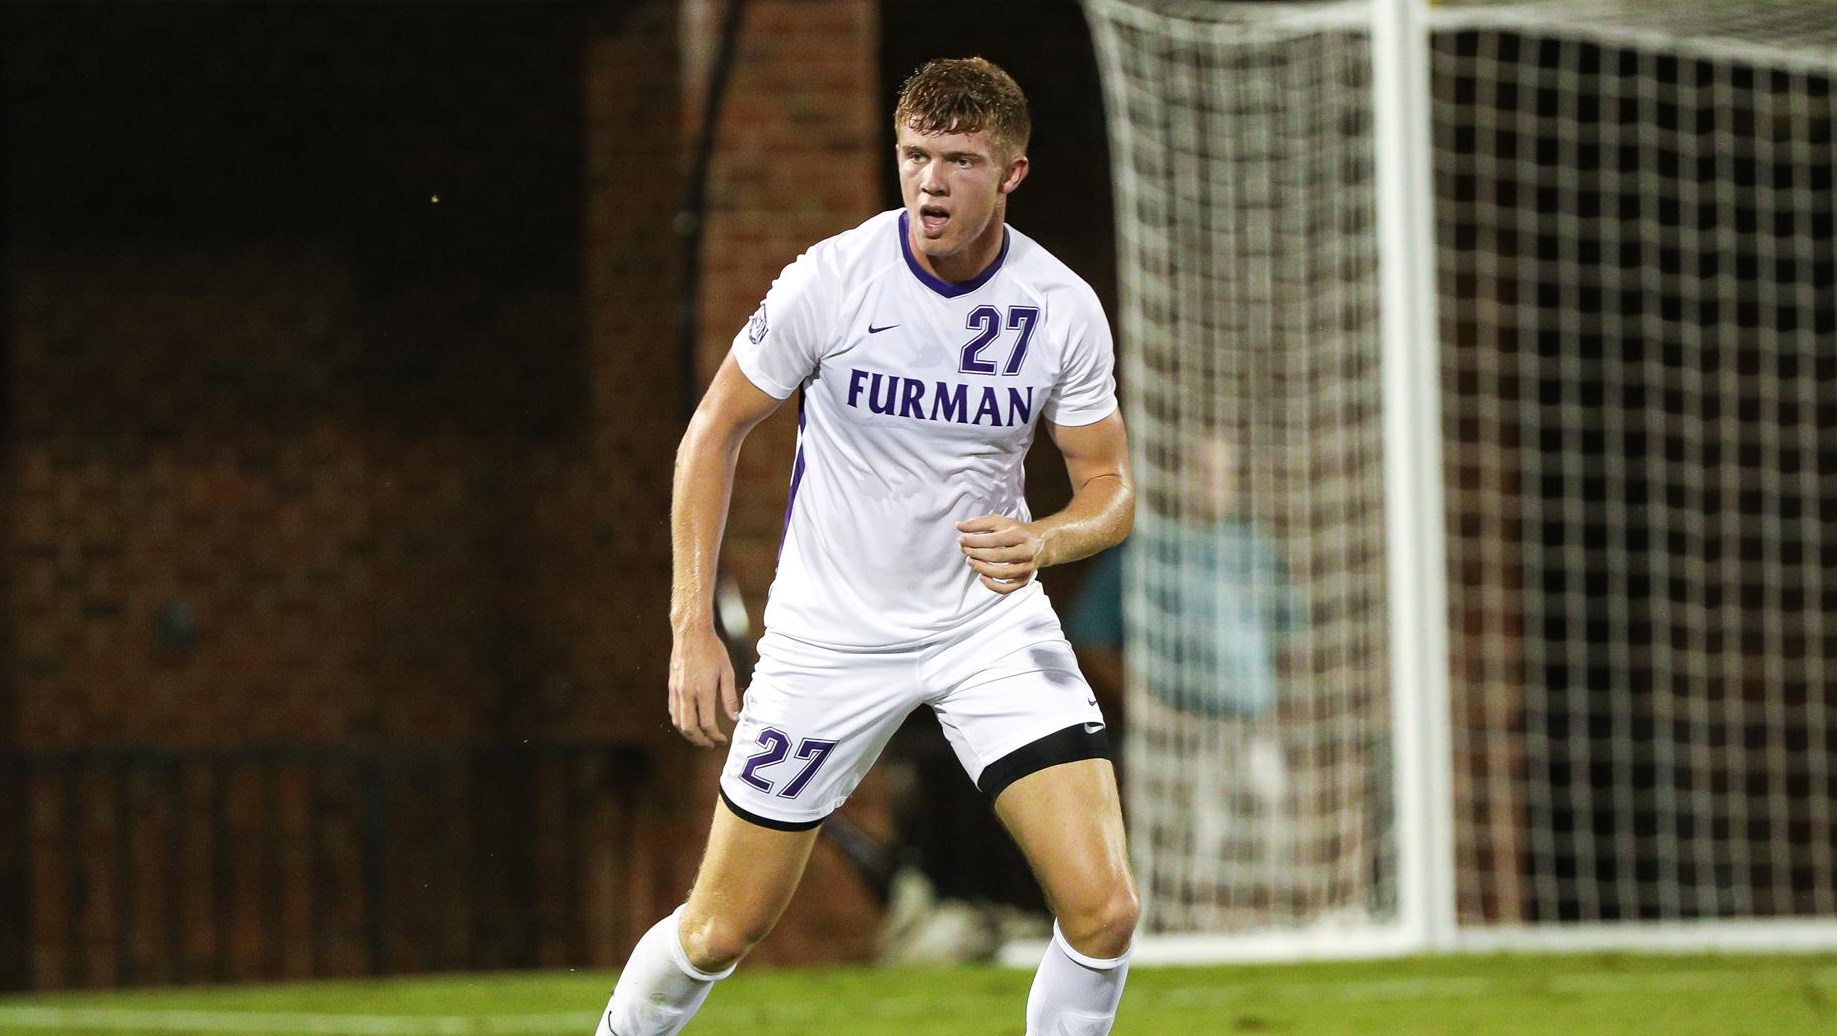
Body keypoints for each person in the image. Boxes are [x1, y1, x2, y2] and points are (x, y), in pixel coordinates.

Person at [594, 58, 1139, 1036]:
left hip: (987, 631)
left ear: (1012, 173)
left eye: (960, 160)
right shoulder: (832, 281)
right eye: (914, 155)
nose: (930, 181)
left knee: (1104, 909)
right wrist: (691, 627)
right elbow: (710, 434)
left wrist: (1046, 540)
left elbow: (1111, 488)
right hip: (829, 641)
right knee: (720, 928)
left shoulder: (1059, 307)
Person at [1065, 432, 1307, 925]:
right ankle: (1190, 933)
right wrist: (1143, 703)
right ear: (1177, 476)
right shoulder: (1147, 551)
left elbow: (1287, 634)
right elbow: (1087, 636)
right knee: (1200, 839)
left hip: (1253, 725)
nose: (1212, 483)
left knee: (1276, 828)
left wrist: (1280, 703)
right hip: (1183, 729)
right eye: (1202, 471)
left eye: (1221, 472)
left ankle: (1277, 930)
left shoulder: (1253, 547)